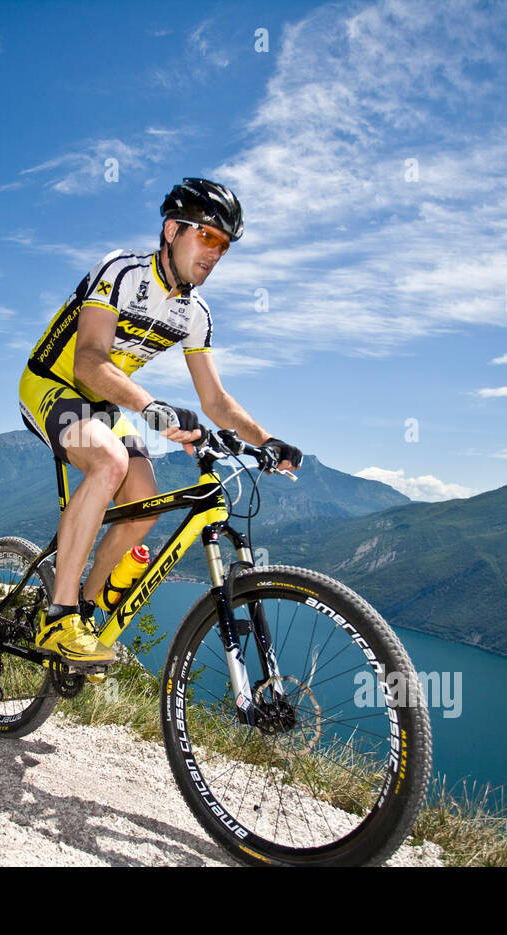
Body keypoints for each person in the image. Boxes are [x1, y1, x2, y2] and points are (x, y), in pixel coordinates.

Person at [18, 177, 303, 668]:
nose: (216, 253)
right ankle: (56, 616)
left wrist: (267, 440)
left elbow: (214, 398)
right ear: (172, 230)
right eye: (208, 236)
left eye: (225, 245)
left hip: (105, 405)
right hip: (52, 383)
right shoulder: (122, 271)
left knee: (144, 508)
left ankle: (84, 611)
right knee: (108, 462)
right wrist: (152, 407)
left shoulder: (195, 313)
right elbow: (88, 360)